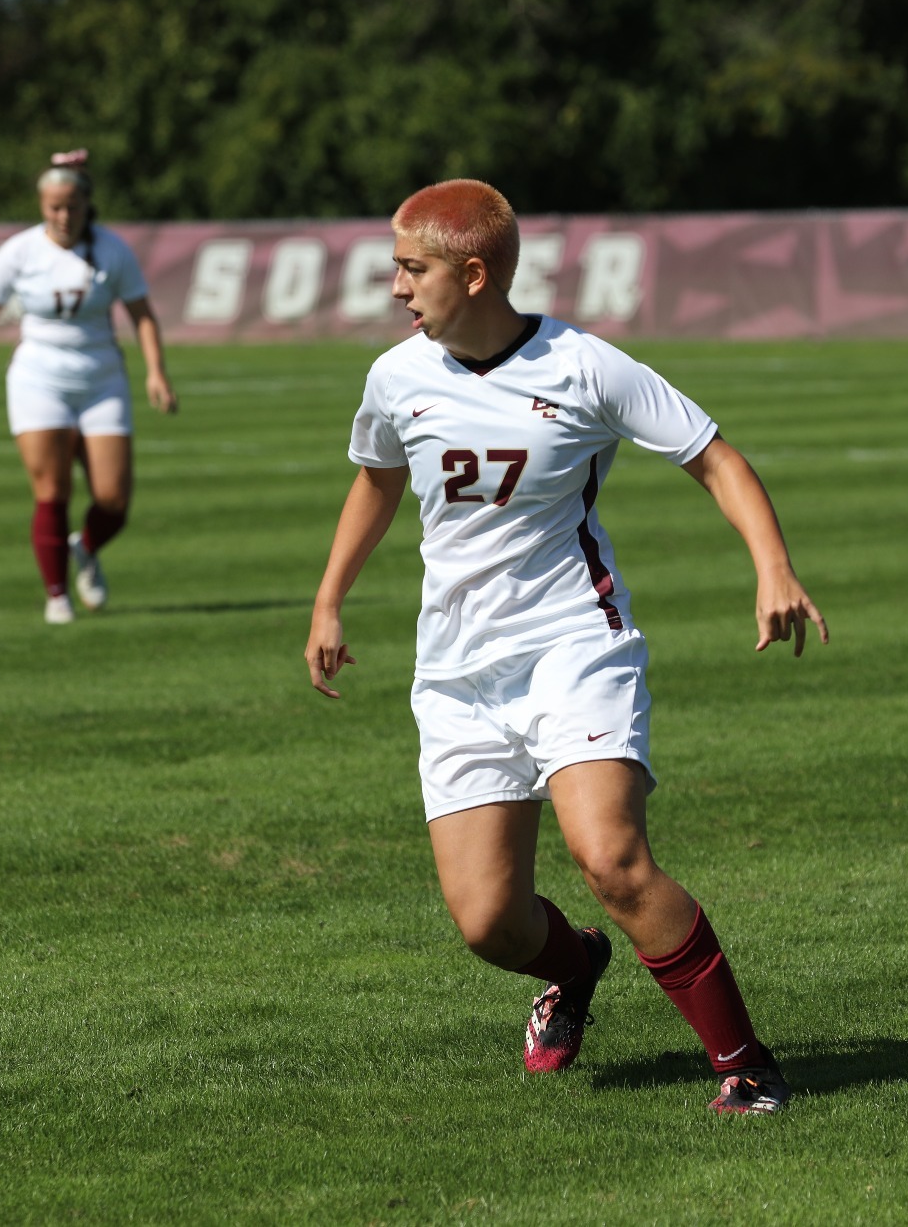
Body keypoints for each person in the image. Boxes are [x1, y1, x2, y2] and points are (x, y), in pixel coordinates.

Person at [304, 179, 827, 1114]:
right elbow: (377, 480)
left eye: (412, 268)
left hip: (573, 643)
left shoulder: (585, 366)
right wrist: (329, 600)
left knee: (612, 858)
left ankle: (747, 1067)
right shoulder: (395, 377)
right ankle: (576, 964)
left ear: (474, 274)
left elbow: (714, 457)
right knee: (488, 924)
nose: (396, 286)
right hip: (457, 673)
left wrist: (774, 566)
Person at [0, 150, 177, 623]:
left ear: (86, 205)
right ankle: (57, 595)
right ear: (42, 206)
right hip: (39, 381)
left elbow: (142, 314)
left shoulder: (113, 249)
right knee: (51, 489)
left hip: (102, 380)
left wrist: (155, 371)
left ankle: (86, 547)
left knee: (114, 501)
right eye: (54, 207)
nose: (63, 216)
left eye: (72, 206)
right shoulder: (18, 252)